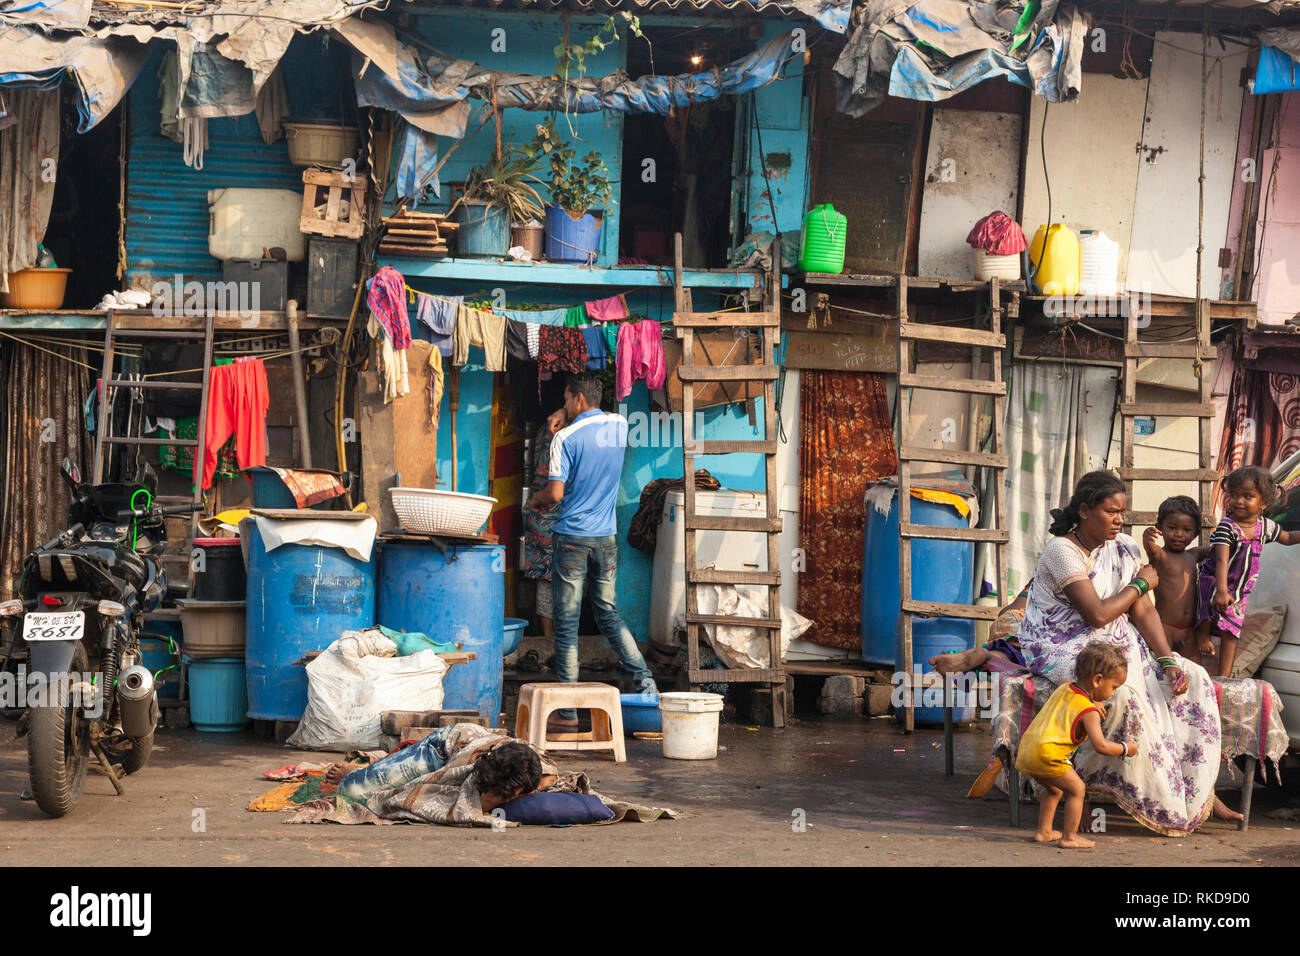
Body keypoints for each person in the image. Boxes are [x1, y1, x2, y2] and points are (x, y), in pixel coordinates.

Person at [1018, 469, 1241, 833]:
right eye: (1111, 511)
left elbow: (1143, 609)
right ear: (1086, 511)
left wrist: (1168, 661)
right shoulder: (1062, 551)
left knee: (1193, 679)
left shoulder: (1123, 546)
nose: (1120, 519)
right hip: (1061, 643)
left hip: (1115, 640)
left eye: (1122, 511)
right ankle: (1113, 793)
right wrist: (1142, 581)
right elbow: (1096, 614)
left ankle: (1195, 790)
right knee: (1124, 695)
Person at [528, 372, 657, 731]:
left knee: (566, 625)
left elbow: (554, 494)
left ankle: (567, 711)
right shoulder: (618, 425)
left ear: (576, 399)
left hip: (571, 538)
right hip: (606, 539)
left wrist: (535, 500)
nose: (565, 407)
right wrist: (563, 409)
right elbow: (590, 413)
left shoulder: (565, 438)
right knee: (609, 614)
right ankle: (646, 682)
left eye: (568, 400)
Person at [1015, 641, 1138, 849]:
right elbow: (1102, 746)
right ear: (1098, 680)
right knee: (1077, 789)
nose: (1113, 693)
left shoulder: (1066, 687)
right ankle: (1069, 837)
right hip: (1049, 755)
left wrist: (1092, 699)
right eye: (1113, 687)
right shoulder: (1088, 712)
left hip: (1028, 751)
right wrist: (1127, 748)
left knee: (1054, 789)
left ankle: (1044, 832)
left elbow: (1067, 681)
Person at [1196, 466, 1300, 677]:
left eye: (1247, 496)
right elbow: (1222, 561)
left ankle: (1224, 676)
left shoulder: (1266, 526)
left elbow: (1288, 538)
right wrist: (1221, 591)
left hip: (1239, 590)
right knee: (1208, 606)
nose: (1239, 501)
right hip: (1216, 579)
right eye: (1233, 495)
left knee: (1232, 631)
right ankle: (1202, 633)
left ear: (1263, 503)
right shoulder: (1228, 526)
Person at [327, 725, 552, 814]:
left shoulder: (538, 778)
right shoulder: (481, 766)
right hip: (444, 748)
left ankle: (382, 762)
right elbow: (420, 787)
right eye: (487, 793)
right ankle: (357, 769)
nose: (485, 801)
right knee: (352, 789)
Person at [1142, 495, 1207, 661]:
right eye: (1172, 528)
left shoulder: (1193, 555)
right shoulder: (1160, 556)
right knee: (1161, 668)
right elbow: (1150, 548)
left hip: (1189, 631)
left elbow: (1216, 550)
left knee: (1194, 670)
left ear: (1196, 533)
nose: (1179, 534)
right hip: (1165, 627)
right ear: (1160, 528)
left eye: (1186, 530)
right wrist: (1147, 536)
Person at [930, 584, 1029, 674]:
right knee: (1024, 660)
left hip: (1008, 619)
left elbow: (1004, 611)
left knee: (1006, 651)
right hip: (1031, 628)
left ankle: (988, 656)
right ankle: (986, 658)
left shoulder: (1038, 577)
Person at [522, 421, 561, 636]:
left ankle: (549, 637)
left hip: (540, 514)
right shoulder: (567, 436)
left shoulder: (544, 430)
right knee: (569, 580)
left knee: (545, 579)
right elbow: (555, 491)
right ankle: (563, 637)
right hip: (555, 512)